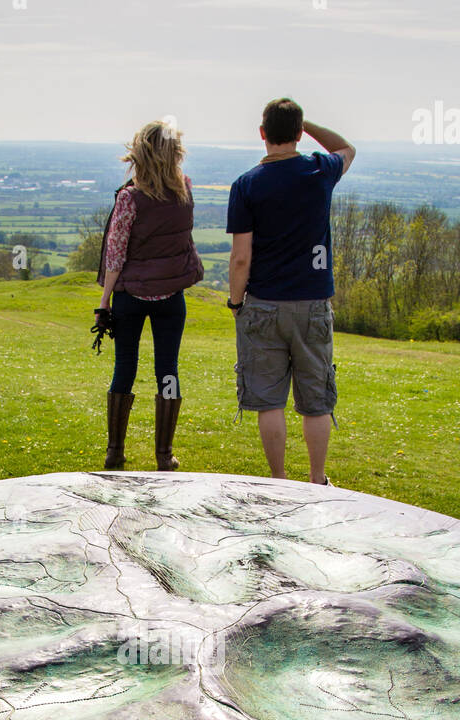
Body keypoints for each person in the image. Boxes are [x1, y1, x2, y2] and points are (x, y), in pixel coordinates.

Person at [226, 98, 356, 485]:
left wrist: (236, 302)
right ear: (299, 134)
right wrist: (306, 124)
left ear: (262, 134)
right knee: (315, 400)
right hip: (313, 303)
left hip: (264, 303)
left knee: (269, 401)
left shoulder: (246, 184)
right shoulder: (320, 170)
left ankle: (279, 479)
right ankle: (317, 478)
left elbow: (240, 258)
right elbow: (346, 148)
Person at [95, 119, 204, 471]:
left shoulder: (130, 198)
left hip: (131, 295)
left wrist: (104, 301)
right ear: (175, 153)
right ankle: (164, 455)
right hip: (171, 295)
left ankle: (115, 452)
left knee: (124, 367)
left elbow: (115, 254)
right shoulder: (184, 189)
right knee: (167, 371)